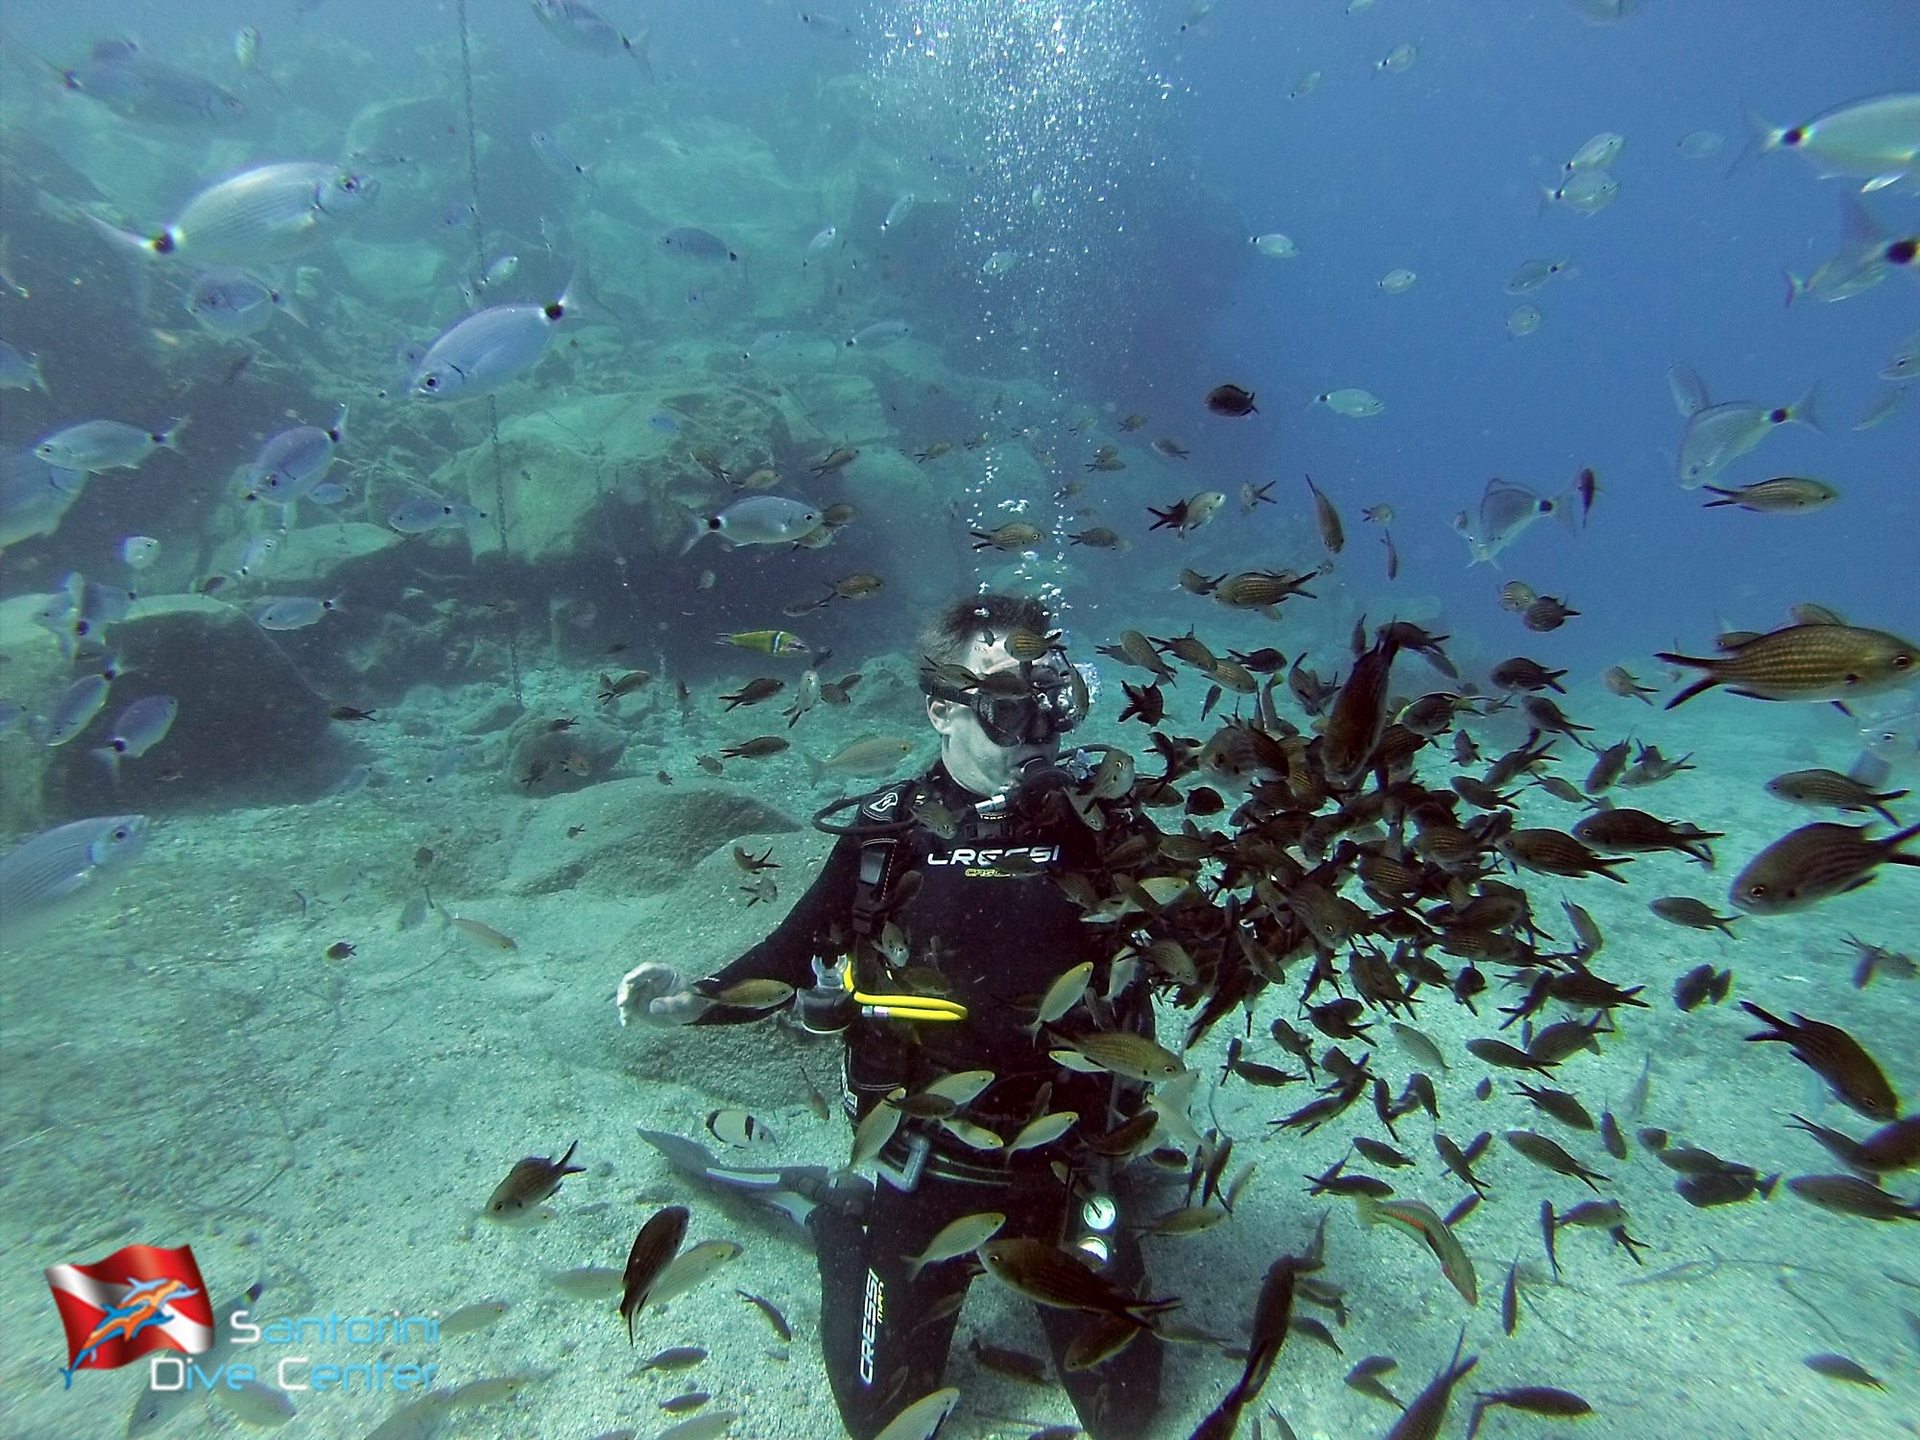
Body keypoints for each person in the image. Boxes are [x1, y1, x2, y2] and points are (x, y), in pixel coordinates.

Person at [620, 593, 1166, 1440]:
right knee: (887, 1423)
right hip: (927, 1168)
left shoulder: (1109, 825)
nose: (1041, 734)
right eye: (1010, 708)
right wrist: (695, 1000)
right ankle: (841, 1215)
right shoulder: (887, 842)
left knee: (1130, 1418)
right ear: (943, 710)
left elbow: (1198, 943)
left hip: (1073, 1164)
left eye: (1055, 703)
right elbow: (785, 958)